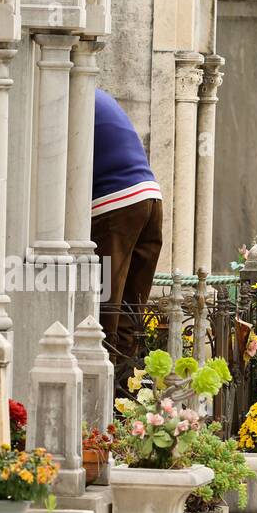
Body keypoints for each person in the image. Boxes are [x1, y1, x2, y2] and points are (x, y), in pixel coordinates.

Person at [91, 89, 163, 390]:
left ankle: (102, 407)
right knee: (130, 316)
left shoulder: (71, 92)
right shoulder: (100, 97)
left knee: (104, 314)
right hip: (150, 197)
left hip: (115, 202)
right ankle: (123, 400)